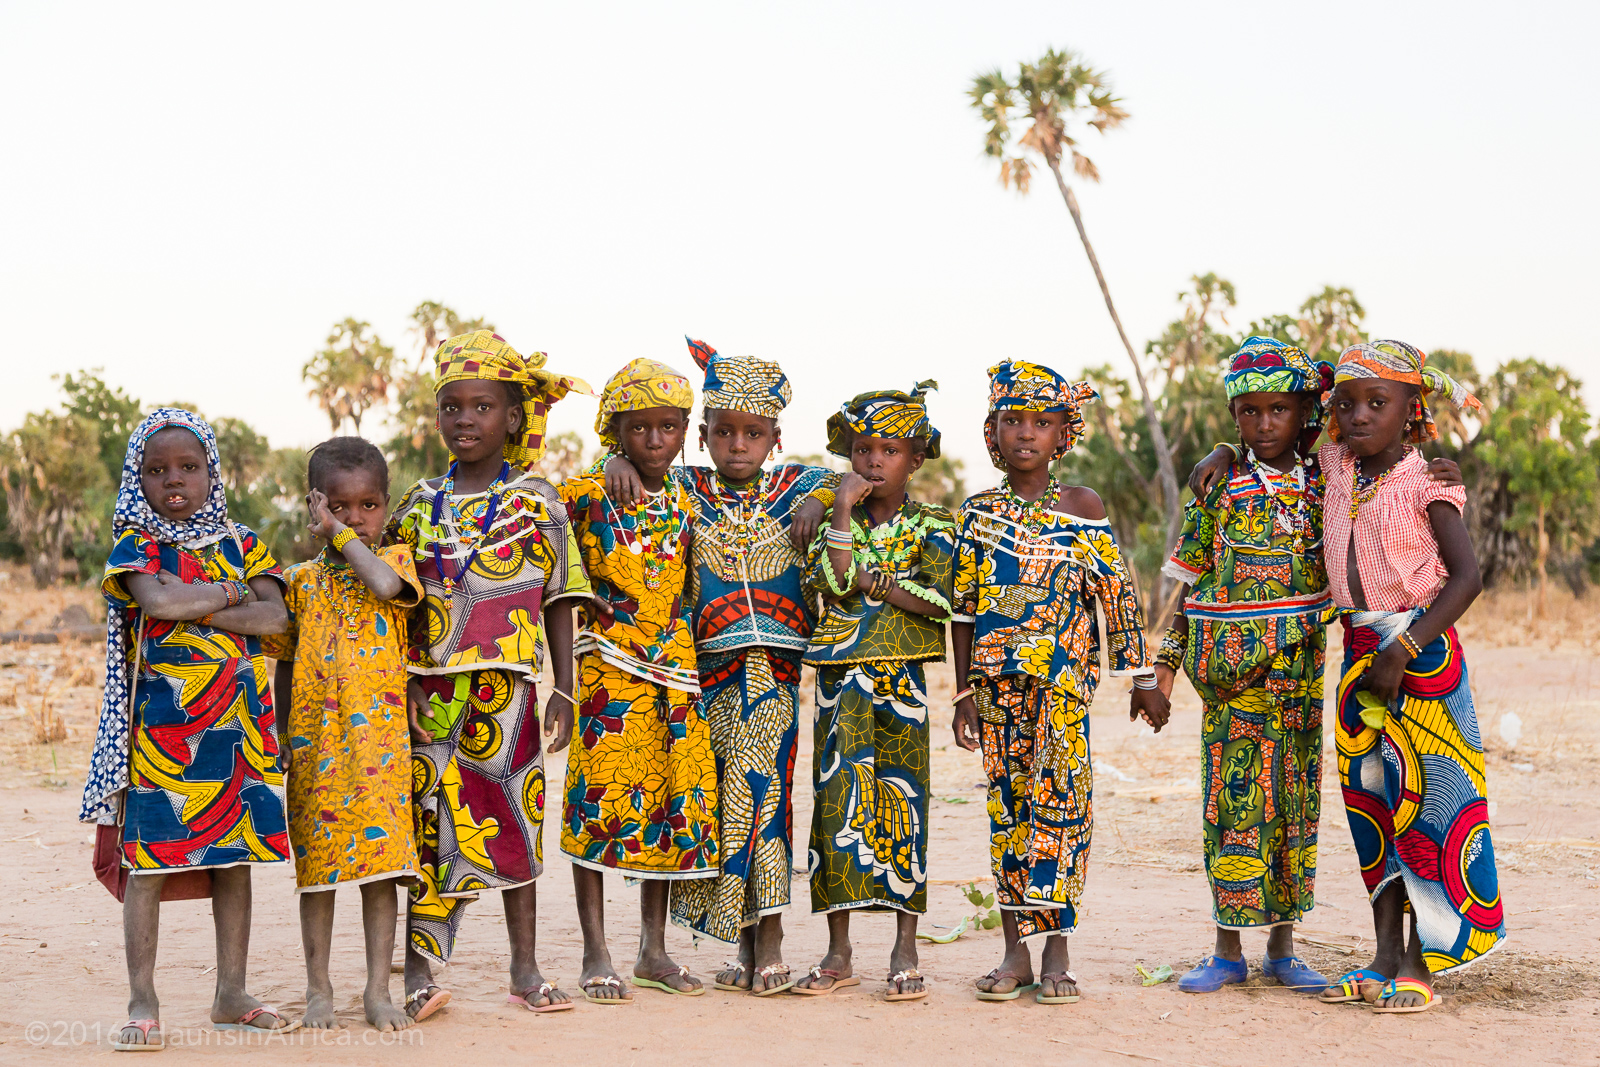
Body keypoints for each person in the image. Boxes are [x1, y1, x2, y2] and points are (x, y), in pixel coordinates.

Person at [1189, 339, 1497, 1013]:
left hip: (1419, 650)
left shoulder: (1429, 484)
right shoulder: (1333, 467)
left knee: (1426, 809)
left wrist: (1406, 645)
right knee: (1372, 811)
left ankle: (1420, 961)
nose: (1359, 416)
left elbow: (1469, 577)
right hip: (1359, 651)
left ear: (1411, 412)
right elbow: (1270, 439)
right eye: (1348, 403)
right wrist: (1222, 451)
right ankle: (1384, 953)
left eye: (1377, 403)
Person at [608, 338, 832, 996]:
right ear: (703, 437)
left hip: (776, 675)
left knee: (769, 802)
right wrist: (614, 454)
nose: (739, 444)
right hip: (707, 672)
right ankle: (737, 937)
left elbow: (847, 479)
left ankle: (770, 937)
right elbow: (628, 471)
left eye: (754, 433)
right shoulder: (685, 487)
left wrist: (822, 503)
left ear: (774, 437)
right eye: (725, 432)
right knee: (719, 803)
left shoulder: (797, 486)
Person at [950, 361, 1170, 1007]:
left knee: (1063, 814)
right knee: (1009, 816)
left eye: (1040, 422)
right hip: (995, 695)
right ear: (993, 430)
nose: (1025, 433)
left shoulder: (1085, 508)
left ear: (1062, 433)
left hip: (1064, 691)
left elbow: (1118, 597)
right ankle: (1015, 951)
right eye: (1012, 420)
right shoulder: (977, 512)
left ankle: (1058, 953)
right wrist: (962, 694)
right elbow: (962, 611)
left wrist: (1141, 677)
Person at [387, 330, 591, 1018]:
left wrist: (564, 686)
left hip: (508, 690)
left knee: (513, 815)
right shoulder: (416, 504)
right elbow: (388, 601)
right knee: (424, 823)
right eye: (451, 407)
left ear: (512, 415)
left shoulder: (539, 500)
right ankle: (419, 970)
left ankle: (525, 968)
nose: (464, 420)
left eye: (481, 406)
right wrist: (399, 681)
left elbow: (561, 597)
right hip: (426, 690)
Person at [80, 409, 296, 1050]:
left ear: (212, 472)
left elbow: (277, 619)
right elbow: (159, 603)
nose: (173, 480)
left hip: (238, 734)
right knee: (147, 866)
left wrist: (207, 595)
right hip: (161, 737)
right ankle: (142, 1002)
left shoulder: (244, 541)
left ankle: (231, 992)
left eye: (189, 467)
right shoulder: (137, 546)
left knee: (235, 863)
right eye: (156, 470)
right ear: (137, 479)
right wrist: (234, 598)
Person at [1157, 338, 1337, 996]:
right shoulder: (1219, 484)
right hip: (1231, 686)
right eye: (1249, 412)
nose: (1264, 424)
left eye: (1278, 410)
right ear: (1233, 415)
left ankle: (1283, 948)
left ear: (1300, 413)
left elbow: (1367, 423)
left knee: (1293, 809)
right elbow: (1191, 582)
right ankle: (1227, 948)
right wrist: (1165, 669)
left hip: (1299, 681)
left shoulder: (1325, 481)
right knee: (1232, 806)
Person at [557, 358, 719, 1002]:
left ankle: (653, 950)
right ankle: (596, 953)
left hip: (678, 676)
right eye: (639, 428)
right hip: (607, 677)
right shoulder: (587, 494)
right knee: (598, 810)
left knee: (671, 811)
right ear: (614, 428)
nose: (655, 441)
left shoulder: (692, 497)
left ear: (686, 431)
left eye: (669, 427)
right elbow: (533, 496)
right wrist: (602, 464)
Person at [790, 381, 955, 1003]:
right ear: (849, 456)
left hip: (902, 685)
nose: (875, 461)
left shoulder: (937, 524)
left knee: (906, 807)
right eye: (864, 450)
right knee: (834, 808)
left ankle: (905, 947)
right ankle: (838, 951)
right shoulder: (834, 520)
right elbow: (831, 581)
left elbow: (943, 605)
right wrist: (837, 511)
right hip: (836, 683)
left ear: (915, 459)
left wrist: (877, 583)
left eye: (891, 449)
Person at [262, 437, 424, 1031]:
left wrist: (341, 536)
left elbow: (384, 589)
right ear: (314, 504)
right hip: (314, 747)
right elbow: (283, 660)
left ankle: (378, 991)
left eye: (369, 505)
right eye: (339, 505)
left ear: (386, 505)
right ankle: (318, 988)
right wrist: (280, 733)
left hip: (382, 751)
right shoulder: (297, 581)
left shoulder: (397, 564)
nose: (356, 517)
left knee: (382, 875)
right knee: (319, 875)